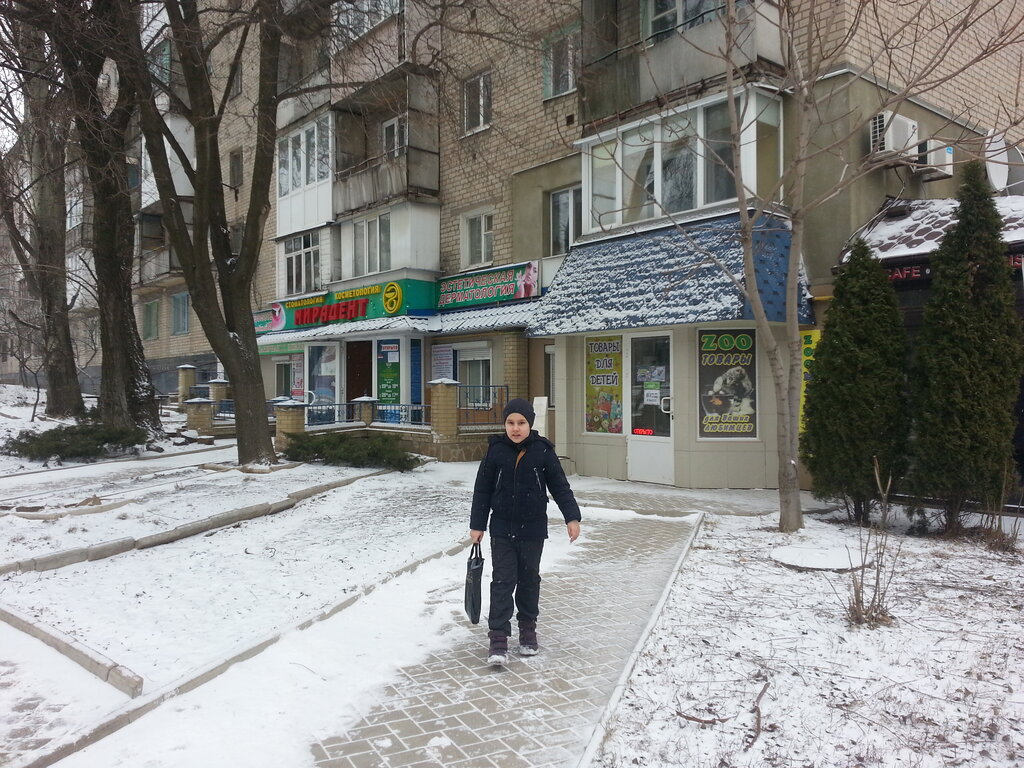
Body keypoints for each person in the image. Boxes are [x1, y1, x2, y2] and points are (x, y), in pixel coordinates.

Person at [469, 397, 582, 666]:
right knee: (503, 580)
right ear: (504, 424)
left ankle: (527, 628)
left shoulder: (542, 451)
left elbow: (560, 486)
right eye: (510, 422)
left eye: (521, 423)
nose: (515, 428)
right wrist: (477, 525)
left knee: (529, 579)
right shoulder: (495, 451)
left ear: (530, 424)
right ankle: (498, 636)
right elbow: (482, 490)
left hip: (532, 529)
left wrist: (572, 517)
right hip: (502, 529)